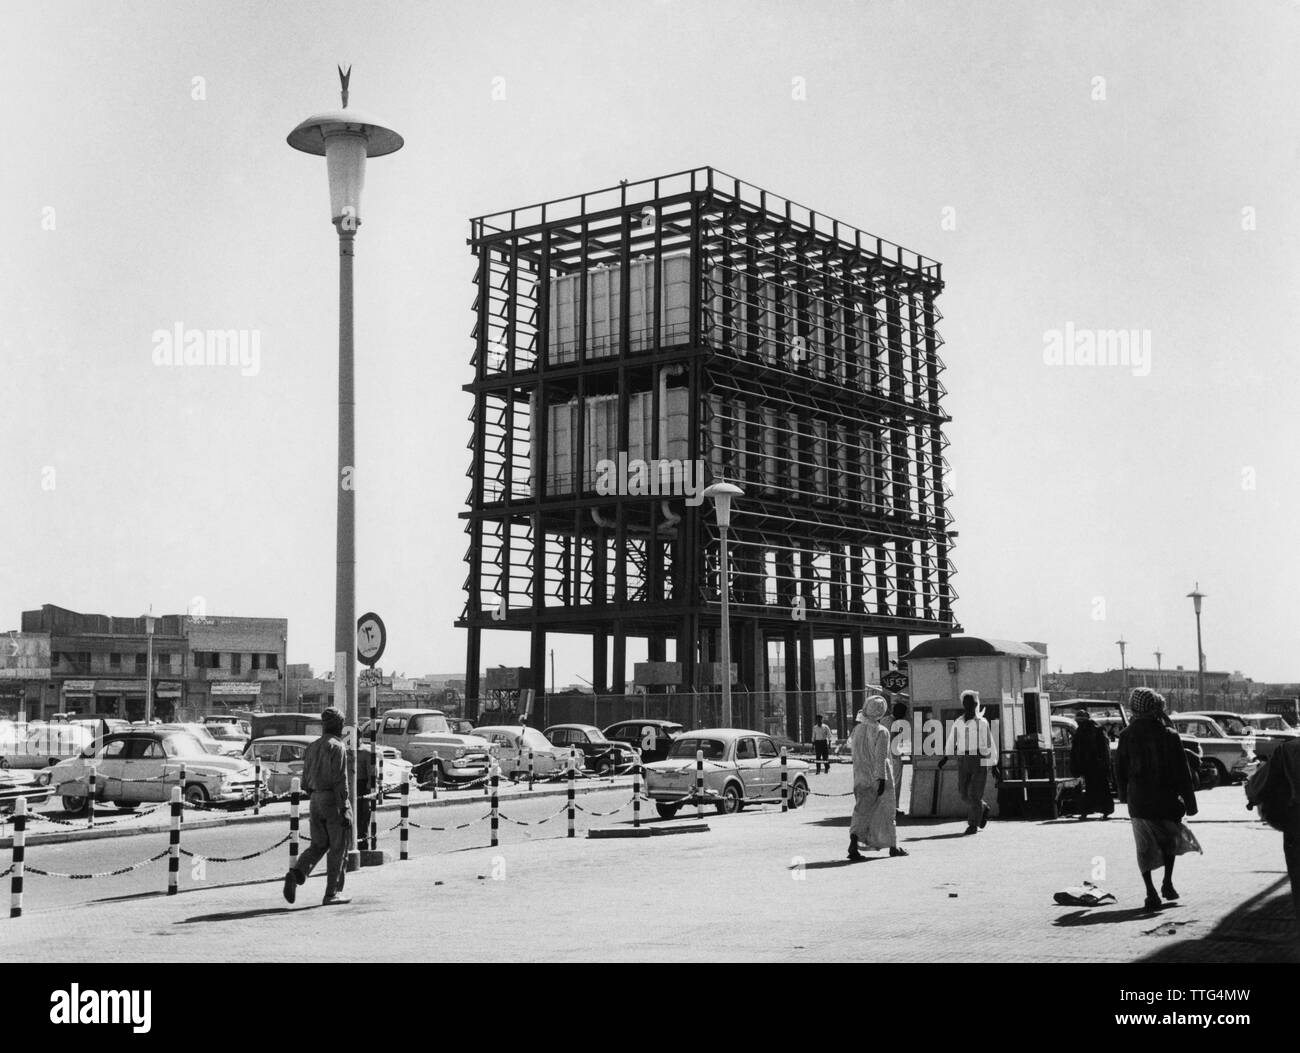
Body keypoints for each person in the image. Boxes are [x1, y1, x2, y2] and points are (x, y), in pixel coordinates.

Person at [1115, 688, 1199, 911]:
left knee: (1144, 849)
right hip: (1167, 801)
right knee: (1168, 843)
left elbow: (1119, 771)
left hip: (1139, 802)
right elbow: (1183, 773)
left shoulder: (1126, 736)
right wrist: (1191, 804)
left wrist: (1124, 796)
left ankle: (1150, 892)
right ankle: (1167, 883)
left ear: (1134, 708)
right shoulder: (1169, 735)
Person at [283, 706, 353, 906]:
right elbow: (341, 780)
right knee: (339, 848)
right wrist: (345, 808)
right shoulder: (337, 746)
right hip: (333, 801)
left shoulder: (312, 747)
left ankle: (296, 874)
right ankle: (332, 893)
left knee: (318, 845)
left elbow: (304, 781)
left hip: (315, 800)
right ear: (339, 725)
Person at [848, 695, 907, 861]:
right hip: (879, 778)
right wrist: (881, 779)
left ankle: (853, 845)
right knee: (887, 812)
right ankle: (893, 847)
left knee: (861, 811)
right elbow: (881, 757)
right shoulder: (882, 731)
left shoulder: (857, 730)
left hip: (860, 777)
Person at [939, 690, 997, 835]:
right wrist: (946, 756)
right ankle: (982, 807)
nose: (968, 705)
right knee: (963, 793)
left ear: (976, 704)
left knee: (975, 794)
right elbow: (952, 739)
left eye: (971, 702)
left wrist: (994, 764)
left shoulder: (981, 722)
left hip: (979, 759)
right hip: (963, 760)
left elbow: (990, 743)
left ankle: (973, 824)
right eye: (965, 702)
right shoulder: (959, 722)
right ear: (963, 704)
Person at [1070, 707, 1114, 820]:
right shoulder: (1097, 729)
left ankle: (1088, 811)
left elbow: (1077, 751)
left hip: (1092, 766)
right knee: (1101, 789)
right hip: (1096, 766)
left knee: (1092, 789)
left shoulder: (1085, 731)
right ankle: (1104, 811)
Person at [355, 739, 377, 852]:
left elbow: (372, 773)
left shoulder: (366, 753)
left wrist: (370, 792)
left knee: (362, 819)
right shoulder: (346, 751)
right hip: (349, 787)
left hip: (362, 788)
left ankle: (363, 846)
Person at [890, 700, 909, 820]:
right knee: (895, 783)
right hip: (894, 757)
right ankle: (894, 808)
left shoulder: (885, 720)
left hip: (885, 756)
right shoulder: (896, 723)